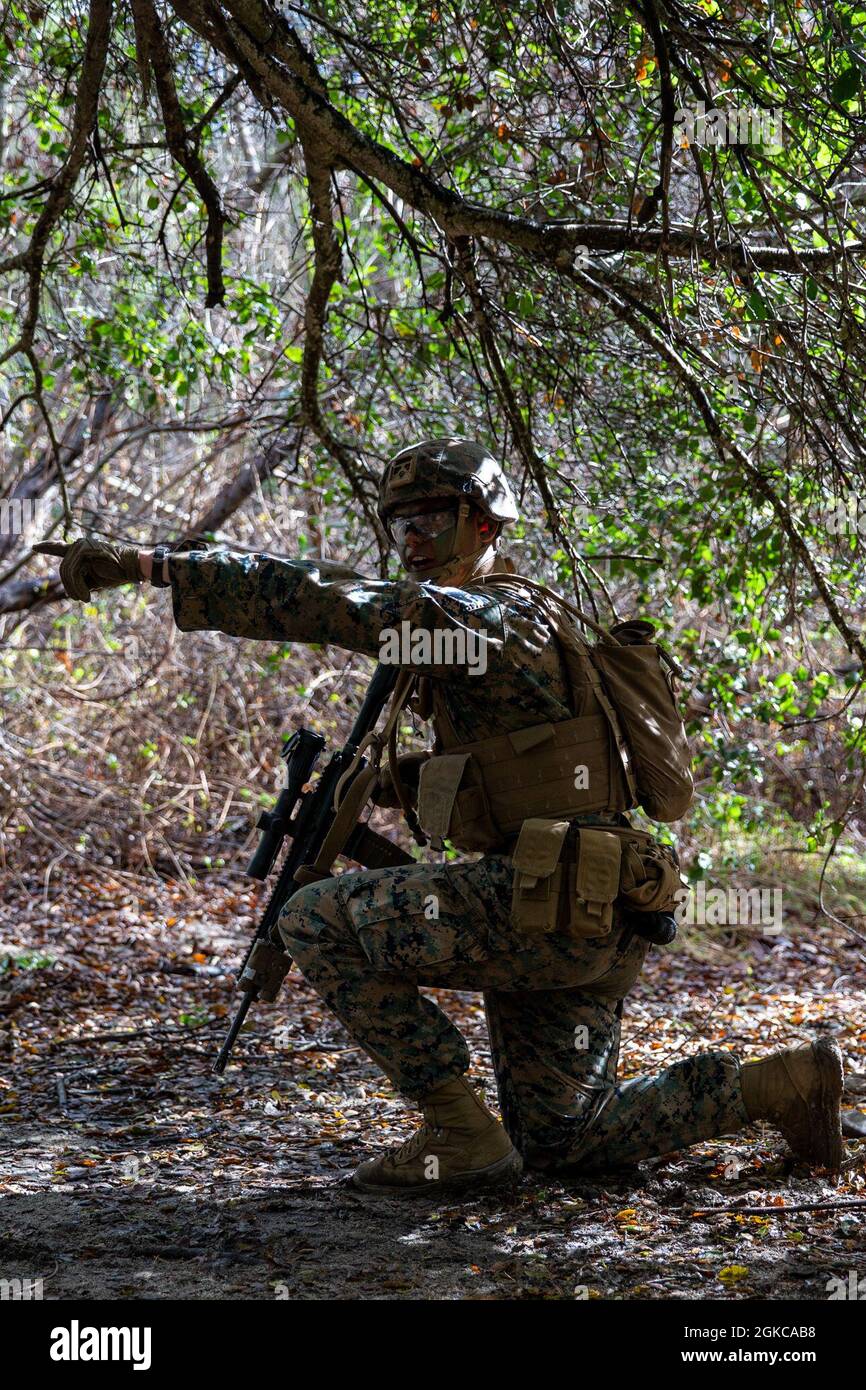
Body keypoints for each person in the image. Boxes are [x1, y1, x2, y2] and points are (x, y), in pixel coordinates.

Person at [34, 436, 844, 1195]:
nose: (412, 539)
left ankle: (459, 1134)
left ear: (484, 523)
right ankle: (782, 1084)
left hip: (554, 906)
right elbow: (524, 771)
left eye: (431, 519)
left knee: (313, 918)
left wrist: (151, 564)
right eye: (400, 525)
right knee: (568, 1139)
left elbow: (326, 601)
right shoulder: (523, 620)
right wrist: (392, 784)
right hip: (583, 906)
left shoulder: (486, 618)